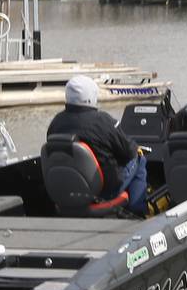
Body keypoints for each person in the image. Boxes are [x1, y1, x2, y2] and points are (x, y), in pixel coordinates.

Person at [47, 75, 147, 215]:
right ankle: (138, 213)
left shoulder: (56, 123)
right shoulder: (103, 121)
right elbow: (129, 151)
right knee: (139, 157)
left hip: (67, 192)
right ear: (91, 96)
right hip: (103, 192)